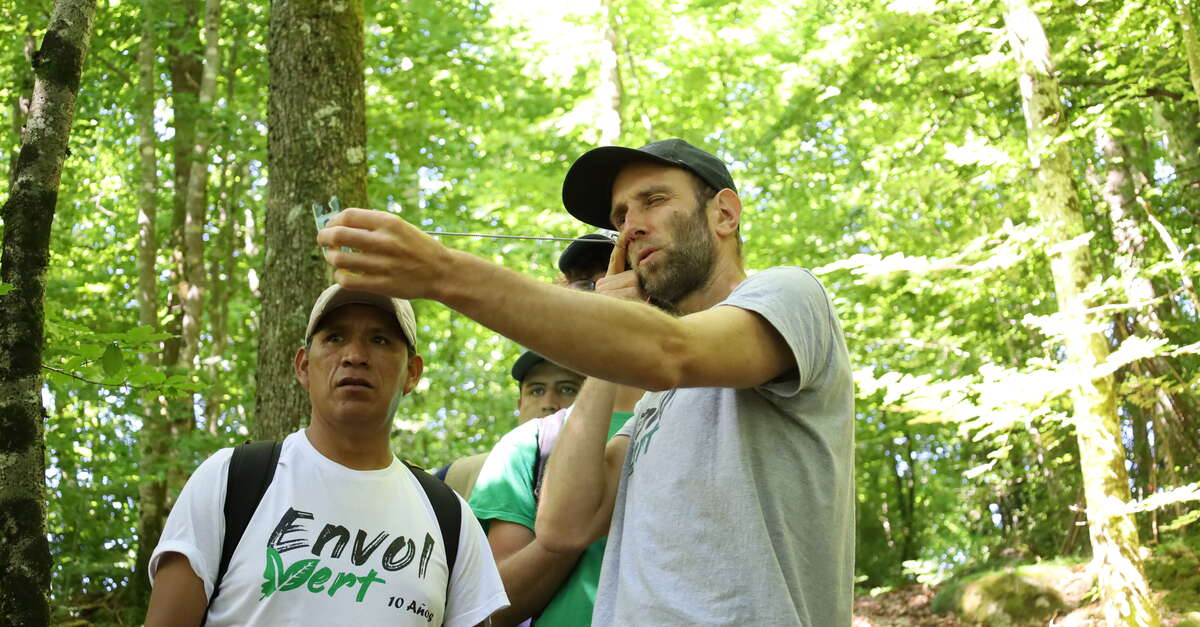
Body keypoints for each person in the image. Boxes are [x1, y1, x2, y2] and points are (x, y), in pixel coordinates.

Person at [317, 138, 855, 625]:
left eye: (653, 201)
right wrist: (607, 349)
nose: (631, 226)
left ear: (725, 213)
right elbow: (564, 528)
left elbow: (673, 350)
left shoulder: (788, 294)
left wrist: (442, 273)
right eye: (622, 214)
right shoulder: (659, 397)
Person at [144, 285, 509, 626]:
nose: (355, 356)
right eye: (335, 338)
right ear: (303, 365)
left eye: (379, 340)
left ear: (411, 373)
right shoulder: (231, 480)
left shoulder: (451, 518)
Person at [467, 234, 643, 626]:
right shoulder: (530, 443)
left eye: (623, 275)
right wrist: (576, 514)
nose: (603, 295)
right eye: (586, 285)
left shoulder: (704, 408)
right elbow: (494, 608)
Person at [439, 350, 584, 498]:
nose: (549, 404)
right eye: (536, 391)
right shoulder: (457, 477)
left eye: (567, 389)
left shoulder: (607, 470)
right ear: (520, 405)